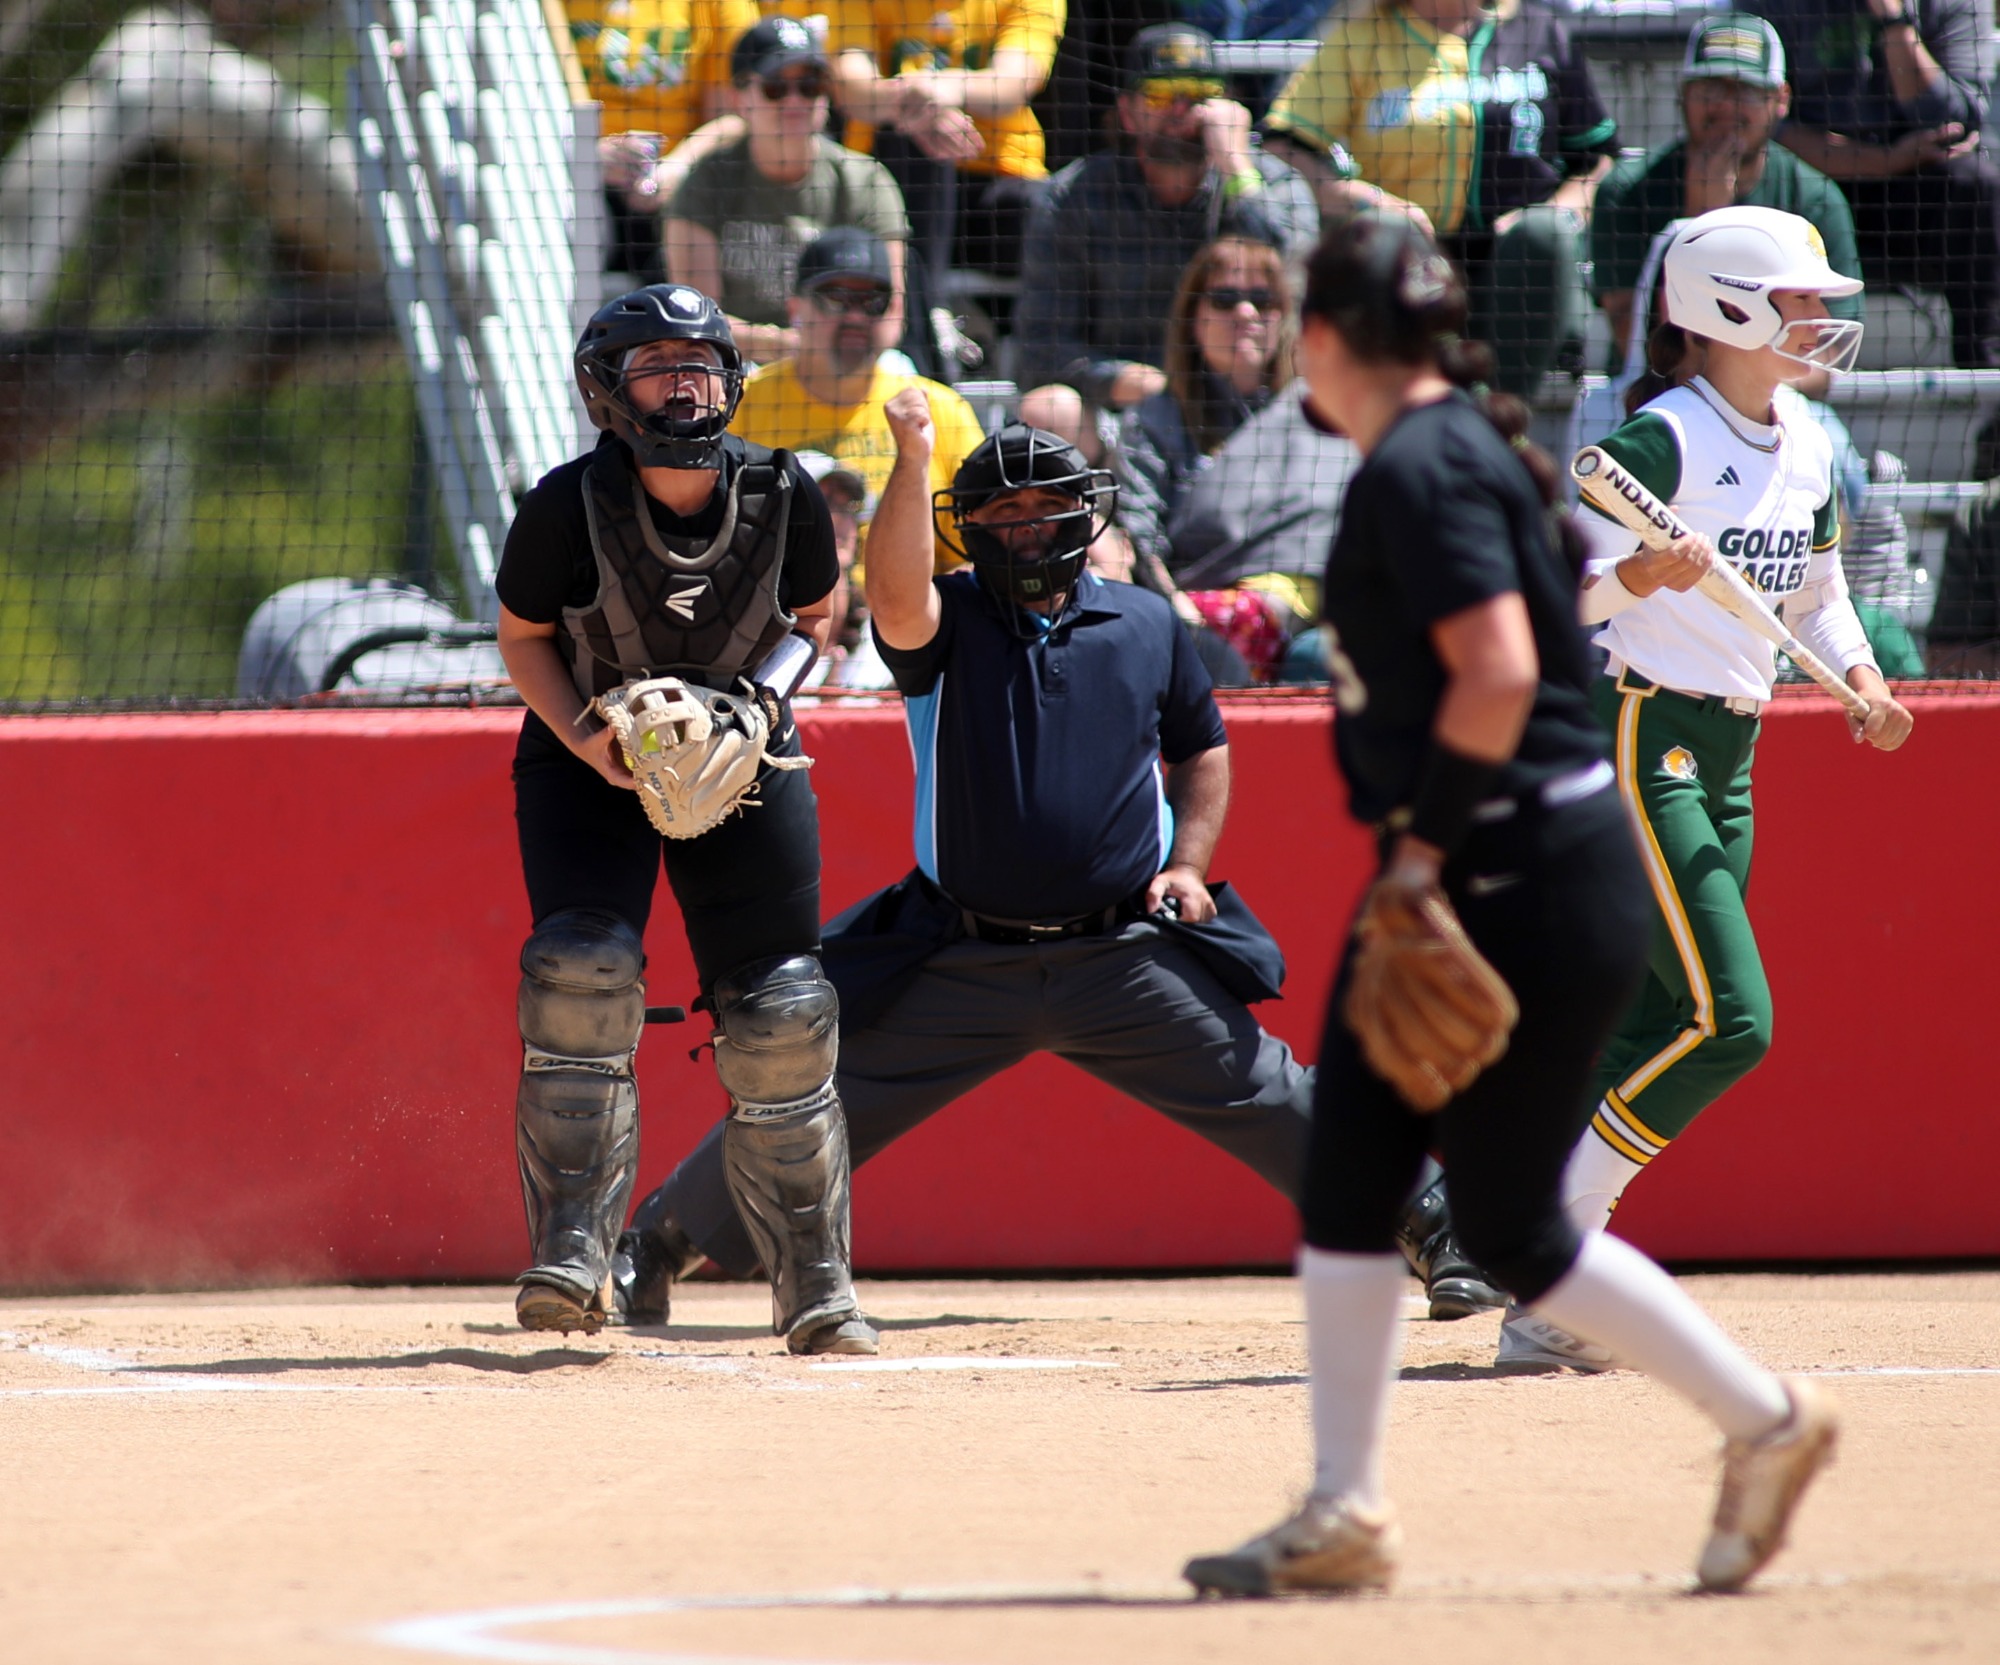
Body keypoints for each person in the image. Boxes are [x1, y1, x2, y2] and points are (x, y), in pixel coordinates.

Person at [1183, 213, 1840, 1599]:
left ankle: (1757, 1422)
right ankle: (1354, 1503)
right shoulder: (1479, 444)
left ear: (1326, 340)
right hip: (1541, 856)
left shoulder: (1416, 468)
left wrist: (1416, 863)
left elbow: (1490, 676)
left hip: (1503, 868)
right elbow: (1566, 621)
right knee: (1417, 1190)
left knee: (1490, 1215)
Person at [613, 409, 1502, 1330]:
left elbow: (1203, 750)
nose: (1029, 524)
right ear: (971, 525)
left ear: (1088, 516)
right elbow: (893, 589)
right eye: (1004, 510)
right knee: (810, 1105)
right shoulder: (947, 622)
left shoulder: (1149, 623)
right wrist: (915, 456)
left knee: (1272, 1091)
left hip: (1120, 954)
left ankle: (1443, 1230)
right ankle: (658, 1240)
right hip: (960, 957)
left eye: (1049, 505)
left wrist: (1189, 864)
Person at [1492, 204, 1914, 1375]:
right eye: (1796, 301)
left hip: (1734, 747)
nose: (1818, 321)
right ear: (1726, 307)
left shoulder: (1809, 440)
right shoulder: (1659, 441)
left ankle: (1480, 1219)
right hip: (1639, 731)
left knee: (1638, 1024)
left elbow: (1815, 594)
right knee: (1729, 1022)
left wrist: (1861, 677)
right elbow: (1552, 604)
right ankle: (1553, 1268)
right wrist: (1635, 568)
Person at [493, 281, 878, 1357]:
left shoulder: (783, 488)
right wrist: (587, 740)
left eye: (701, 366)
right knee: (580, 970)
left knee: (783, 1012)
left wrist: (754, 706)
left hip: (745, 758)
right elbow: (522, 636)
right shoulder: (564, 504)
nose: (685, 386)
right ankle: (573, 1250)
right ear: (604, 392)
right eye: (658, 368)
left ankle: (815, 1279)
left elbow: (815, 620)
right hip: (589, 757)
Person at [1261, 0, 1619, 398]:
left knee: (1543, 233)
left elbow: (1598, 158)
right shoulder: (1363, 37)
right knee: (1385, 231)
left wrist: (1555, 211)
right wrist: (1359, 197)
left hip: (1518, 266)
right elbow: (1283, 145)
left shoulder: (1540, 31)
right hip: (1410, 259)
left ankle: (1504, 421)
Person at [1012, 24, 1317, 449]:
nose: (1181, 110)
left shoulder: (1269, 182)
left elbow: (1302, 284)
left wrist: (1236, 170)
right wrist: (1124, 379)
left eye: (1199, 94)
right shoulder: (1073, 197)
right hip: (1123, 414)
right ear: (1127, 112)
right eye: (1160, 95)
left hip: (1250, 405)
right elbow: (1038, 350)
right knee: (1050, 409)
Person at [1592, 15, 1864, 365]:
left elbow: (1830, 355)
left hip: (1782, 400)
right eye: (1711, 89)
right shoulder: (1626, 189)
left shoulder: (1814, 200)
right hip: (1655, 396)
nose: (1725, 106)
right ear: (1683, 94)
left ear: (1780, 99)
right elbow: (1637, 343)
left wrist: (1751, 379)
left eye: (1745, 90)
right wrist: (1698, 225)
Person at [1753, 0, 2000, 368]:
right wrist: (1886, 160)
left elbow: (1952, 120)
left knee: (1979, 187)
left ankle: (1989, 392)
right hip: (1814, 180)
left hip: (1917, 189)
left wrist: (1892, 18)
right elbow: (1766, 126)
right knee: (1748, 171)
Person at [731, 226, 988, 567]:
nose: (854, 316)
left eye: (872, 302)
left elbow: (981, 553)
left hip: (907, 617)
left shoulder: (939, 410)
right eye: (835, 298)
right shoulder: (741, 404)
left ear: (895, 311)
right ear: (796, 309)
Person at [665, 17, 912, 363]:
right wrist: (777, 346)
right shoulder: (706, 181)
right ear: (740, 98)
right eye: (776, 87)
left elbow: (890, 317)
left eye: (810, 85)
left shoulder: (866, 181)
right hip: (735, 361)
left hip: (839, 358)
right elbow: (697, 318)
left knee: (897, 369)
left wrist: (816, 351)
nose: (795, 100)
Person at [829, 0, 1063, 293]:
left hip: (994, 186)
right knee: (914, 143)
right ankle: (924, 317)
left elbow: (1013, 84)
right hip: (891, 180)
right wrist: (921, 108)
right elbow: (852, 88)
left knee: (1049, 212)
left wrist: (946, 89)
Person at [566, 0, 758, 281]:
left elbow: (733, 117)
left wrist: (677, 166)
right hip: (577, 177)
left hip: (672, 184)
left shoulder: (717, 6)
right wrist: (587, 153)